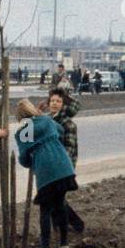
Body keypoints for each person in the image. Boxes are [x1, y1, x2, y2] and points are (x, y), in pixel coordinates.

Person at [15, 98, 77, 248]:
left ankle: (45, 247)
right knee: (60, 204)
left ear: (20, 117)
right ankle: (64, 244)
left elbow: (24, 157)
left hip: (47, 172)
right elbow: (61, 131)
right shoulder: (46, 120)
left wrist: (32, 159)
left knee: (45, 209)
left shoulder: (25, 128)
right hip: (64, 166)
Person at [44, 90, 84, 233]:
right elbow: (30, 134)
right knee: (53, 196)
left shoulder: (68, 124)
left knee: (56, 197)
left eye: (58, 101)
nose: (54, 103)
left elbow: (70, 148)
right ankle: (64, 225)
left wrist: (58, 162)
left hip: (63, 166)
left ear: (63, 105)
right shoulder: (46, 120)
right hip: (49, 165)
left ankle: (73, 224)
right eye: (52, 101)